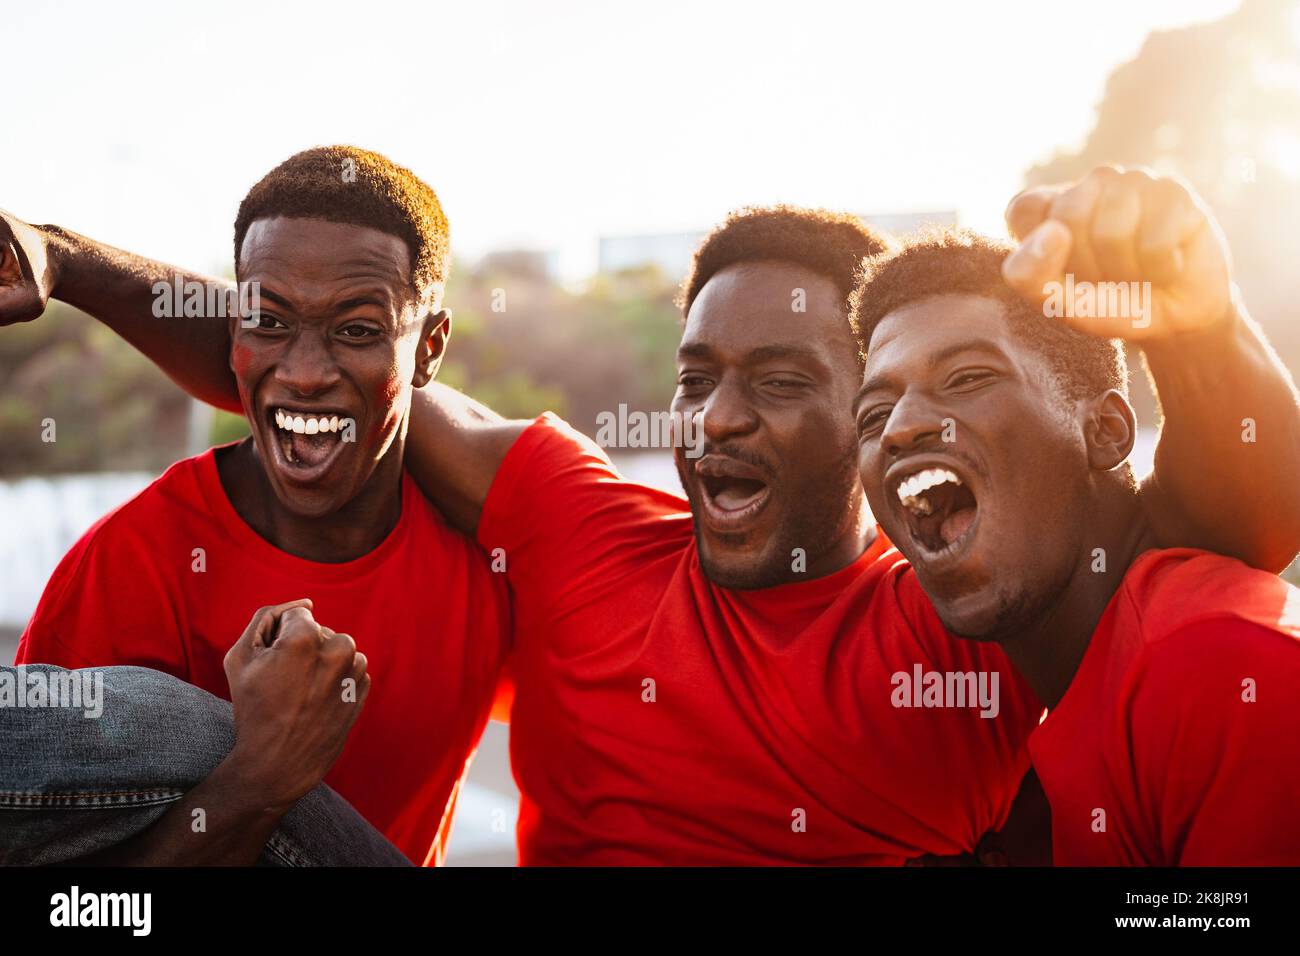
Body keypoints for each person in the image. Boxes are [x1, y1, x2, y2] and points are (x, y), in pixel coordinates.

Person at [3, 165, 1297, 864]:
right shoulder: (581, 524)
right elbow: (334, 374)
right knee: (178, 729)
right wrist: (65, 261)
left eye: (783, 383)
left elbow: (1239, 519)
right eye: (696, 380)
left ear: (865, 422)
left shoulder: (967, 612)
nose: (717, 419)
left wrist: (1201, 323)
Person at [3, 147, 509, 865]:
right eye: (268, 323)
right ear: (232, 331)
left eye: (358, 330)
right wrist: (258, 780)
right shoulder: (129, 564)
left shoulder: (492, 559)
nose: (303, 374)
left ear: (428, 348)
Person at [851, 174, 1300, 863]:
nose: (902, 428)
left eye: (968, 377)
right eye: (873, 415)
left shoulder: (1213, 664)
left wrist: (1208, 332)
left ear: (1108, 432)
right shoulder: (1080, 690)